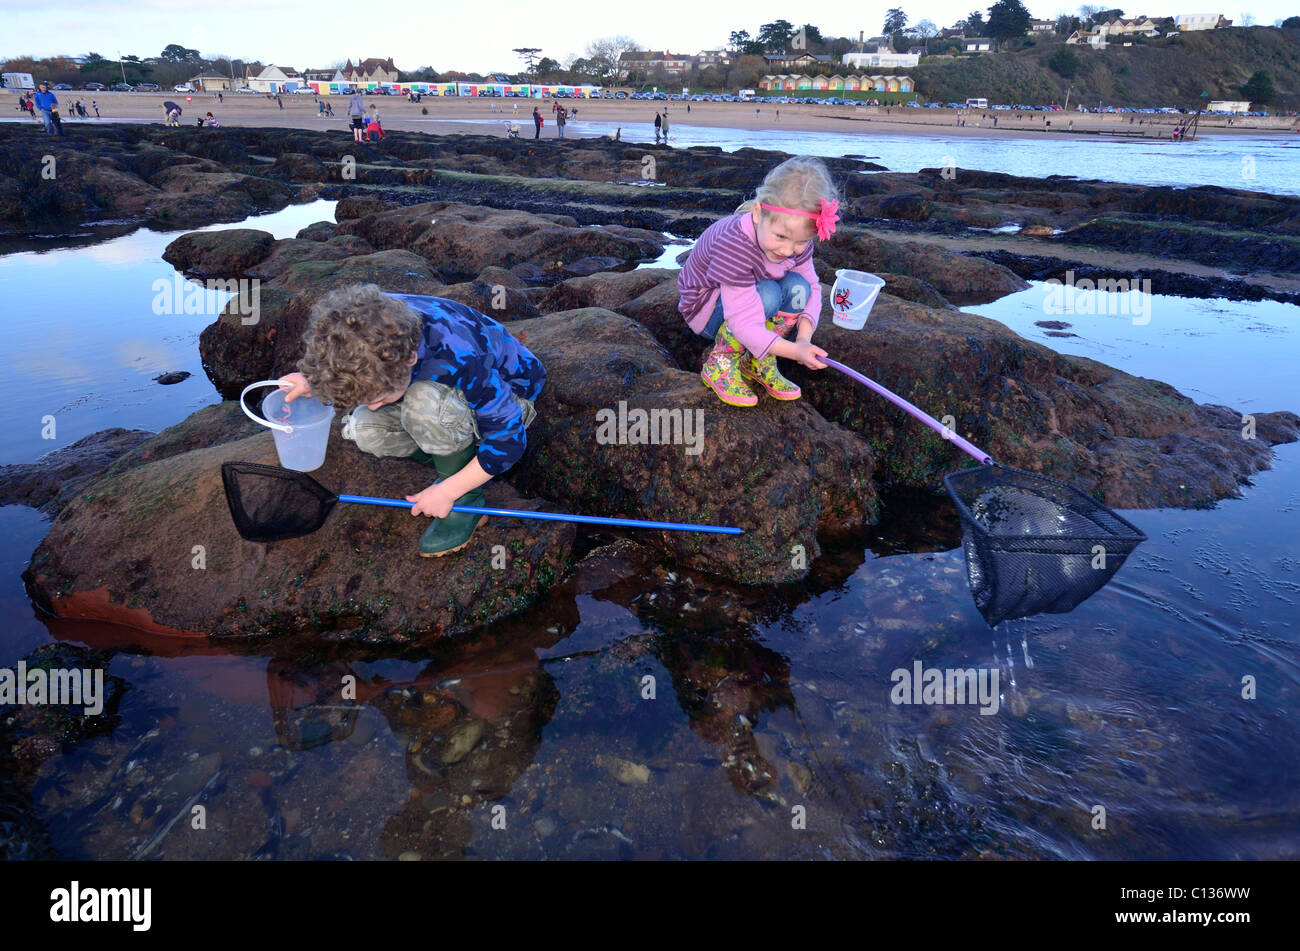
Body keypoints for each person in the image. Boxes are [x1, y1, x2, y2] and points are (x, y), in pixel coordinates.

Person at [276, 285, 546, 557]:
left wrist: (449, 490)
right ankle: (459, 457)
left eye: (381, 396)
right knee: (364, 428)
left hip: (510, 397)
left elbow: (509, 440)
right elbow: (346, 353)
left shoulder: (459, 355)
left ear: (410, 358)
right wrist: (316, 378)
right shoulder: (366, 324)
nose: (374, 404)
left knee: (423, 404)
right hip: (434, 390)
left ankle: (466, 502)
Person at [676, 155, 836, 406]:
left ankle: (758, 359)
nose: (788, 250)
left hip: (752, 297)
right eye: (781, 236)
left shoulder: (795, 242)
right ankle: (721, 362)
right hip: (707, 309)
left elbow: (813, 288)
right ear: (760, 213)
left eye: (801, 241)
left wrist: (804, 338)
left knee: (799, 288)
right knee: (769, 294)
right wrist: (793, 351)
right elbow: (742, 320)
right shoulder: (735, 244)